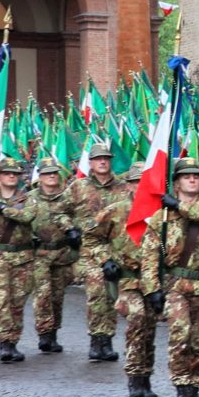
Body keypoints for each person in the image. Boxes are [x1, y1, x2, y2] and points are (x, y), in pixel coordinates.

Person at [138, 159, 199, 397]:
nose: (192, 180)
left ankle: (195, 385)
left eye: (197, 177)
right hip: (176, 285)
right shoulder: (161, 217)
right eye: (187, 176)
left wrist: (180, 206)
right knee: (180, 335)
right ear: (176, 182)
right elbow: (151, 255)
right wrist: (152, 289)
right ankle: (183, 389)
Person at [100, 166, 160, 397]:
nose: (139, 188)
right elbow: (92, 238)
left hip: (153, 280)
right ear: (128, 186)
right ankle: (135, 379)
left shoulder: (161, 213)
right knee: (136, 320)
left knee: (148, 329)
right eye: (135, 183)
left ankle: (145, 377)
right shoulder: (115, 211)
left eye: (144, 183)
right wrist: (105, 259)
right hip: (127, 279)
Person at [68, 142, 124, 362]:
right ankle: (96, 340)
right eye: (98, 158)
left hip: (115, 249)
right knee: (96, 294)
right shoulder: (78, 187)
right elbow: (61, 210)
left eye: (106, 158)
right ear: (90, 163)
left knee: (111, 294)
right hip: (89, 249)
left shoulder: (122, 187)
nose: (103, 162)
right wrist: (69, 228)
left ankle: (107, 340)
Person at [26, 158, 81, 353]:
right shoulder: (29, 199)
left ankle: (53, 333)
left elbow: (77, 219)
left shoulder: (67, 199)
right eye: (47, 173)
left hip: (62, 254)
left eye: (54, 173)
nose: (51, 176)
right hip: (39, 253)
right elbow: (21, 223)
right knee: (42, 294)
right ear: (39, 177)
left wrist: (75, 232)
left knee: (57, 296)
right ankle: (44, 334)